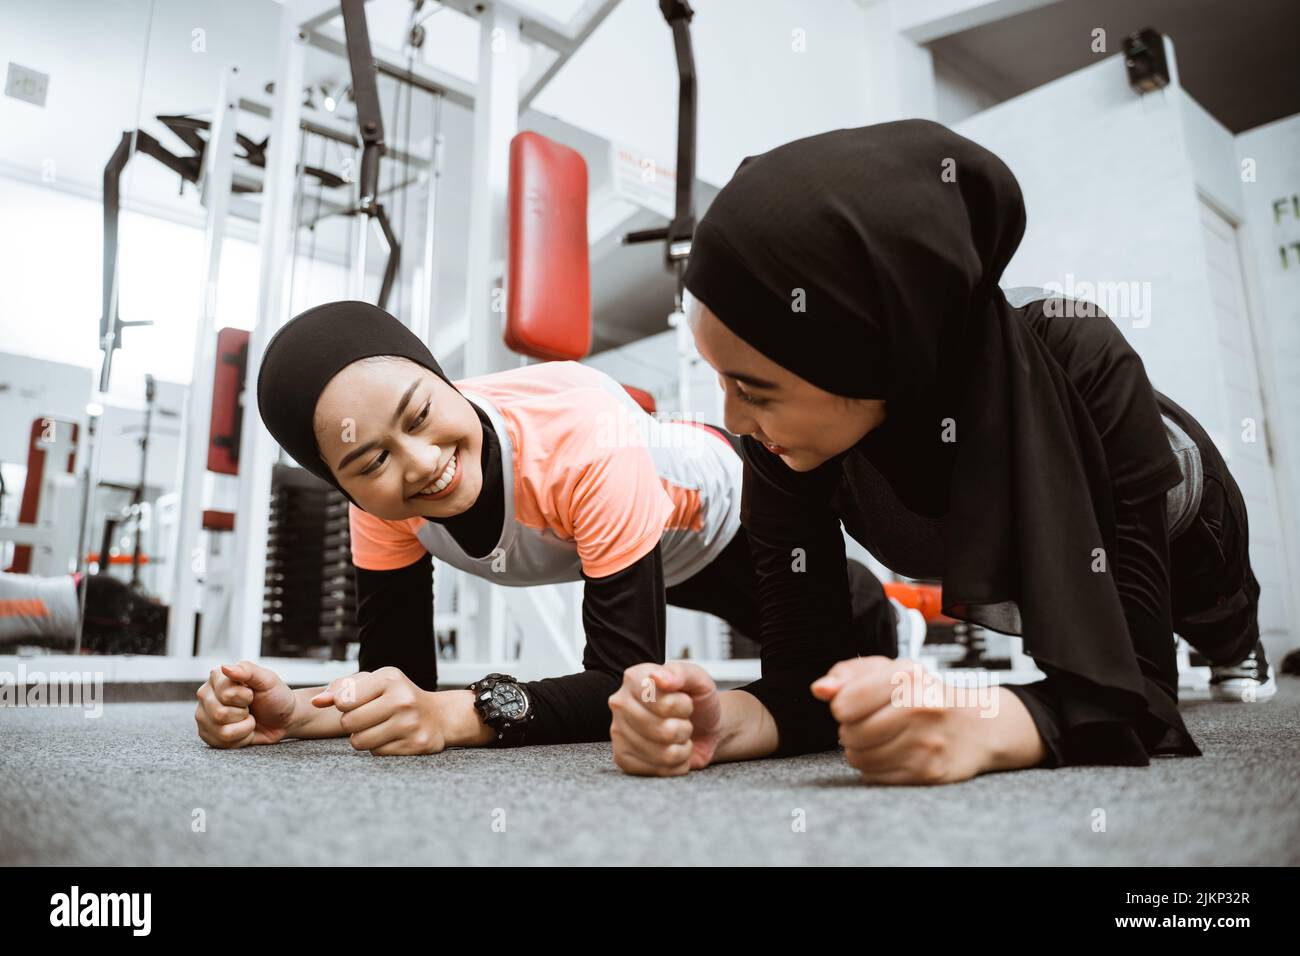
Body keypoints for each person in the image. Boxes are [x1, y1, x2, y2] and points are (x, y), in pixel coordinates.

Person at [605, 118, 1276, 784]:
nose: (731, 420)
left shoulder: (1083, 354)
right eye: (723, 380)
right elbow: (801, 672)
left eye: (755, 390)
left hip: (1184, 515)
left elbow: (1140, 687)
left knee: (1219, 629)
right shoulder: (779, 439)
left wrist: (980, 722)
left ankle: (1238, 644)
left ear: (872, 354)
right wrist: (722, 718)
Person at [193, 300, 895, 754]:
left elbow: (621, 678)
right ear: (342, 482)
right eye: (372, 459)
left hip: (726, 518)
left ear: (445, 380)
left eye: (418, 414)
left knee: (832, 682)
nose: (422, 463)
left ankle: (875, 606)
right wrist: (297, 713)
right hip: (626, 543)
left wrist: (460, 715)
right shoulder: (377, 507)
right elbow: (397, 680)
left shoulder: (583, 434)